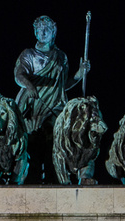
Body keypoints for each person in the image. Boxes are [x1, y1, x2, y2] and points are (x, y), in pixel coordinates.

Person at [14, 15, 90, 180]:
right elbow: (18, 75)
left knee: (56, 138)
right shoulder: (29, 55)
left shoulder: (61, 57)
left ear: (53, 32)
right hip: (34, 106)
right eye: (39, 29)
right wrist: (29, 84)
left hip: (55, 106)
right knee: (33, 143)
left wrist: (79, 74)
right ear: (35, 32)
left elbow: (63, 85)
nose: (43, 32)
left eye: (46, 29)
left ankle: (56, 175)